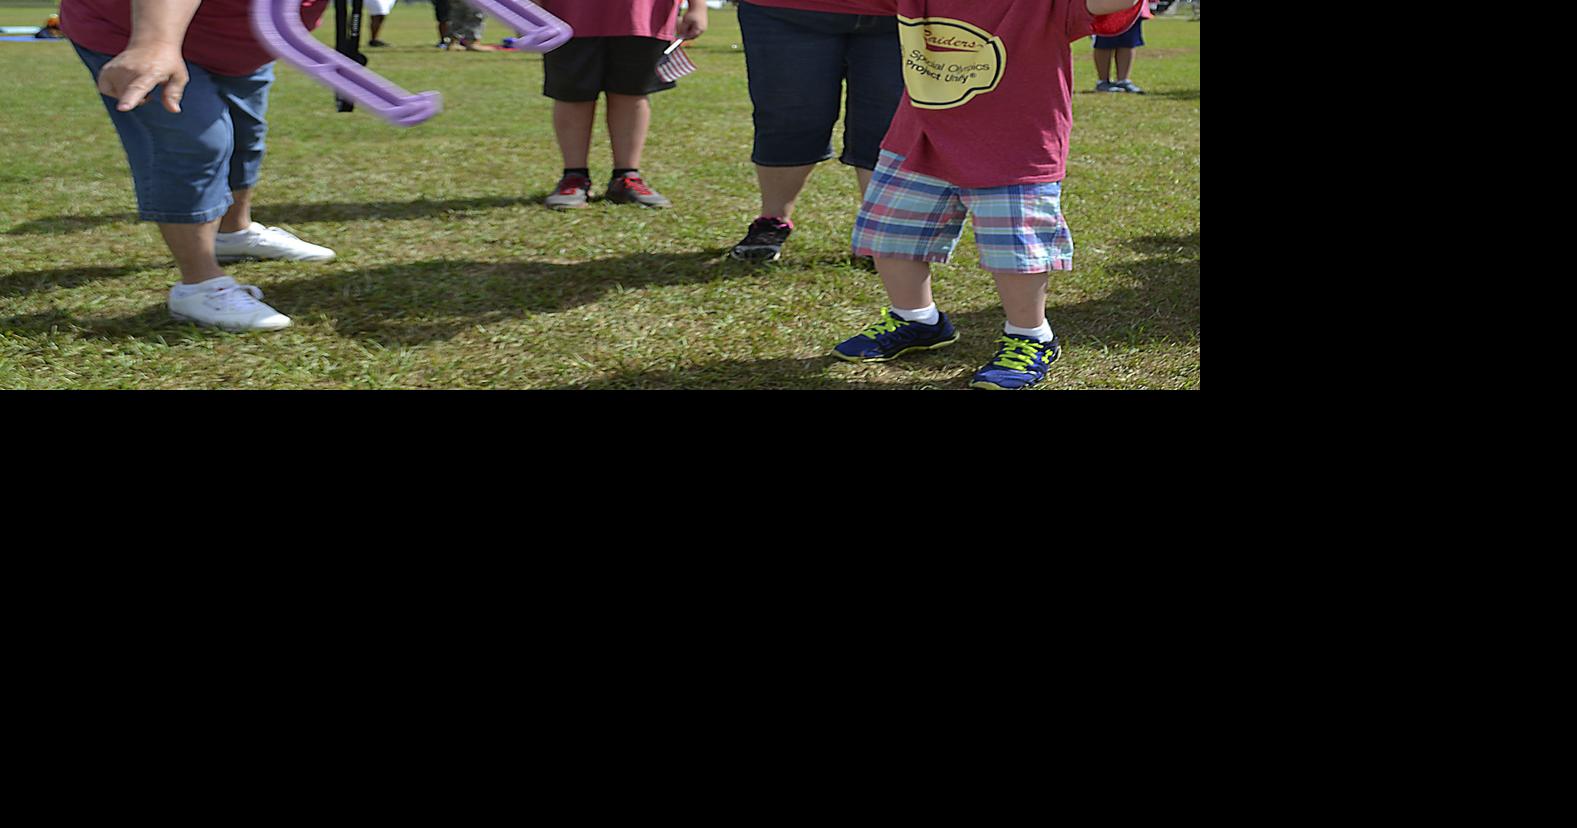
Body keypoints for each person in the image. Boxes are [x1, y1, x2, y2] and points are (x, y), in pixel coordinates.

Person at [833, 0, 1146, 390]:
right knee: (892, 236)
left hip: (1015, 146)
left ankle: (1031, 335)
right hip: (920, 135)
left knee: (1015, 250)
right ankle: (916, 318)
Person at [59, 0, 337, 333]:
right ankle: (200, 285)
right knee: (195, 140)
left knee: (246, 132)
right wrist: (155, 42)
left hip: (239, 38)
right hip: (138, 27)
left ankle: (233, 232)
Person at [730, 0, 903, 262]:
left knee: (891, 124)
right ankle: (772, 221)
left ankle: (881, 233)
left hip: (904, 13)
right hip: (785, 10)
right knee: (788, 116)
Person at [536, 0, 708, 210]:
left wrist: (697, 7)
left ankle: (626, 176)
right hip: (567, 12)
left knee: (632, 93)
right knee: (572, 95)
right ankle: (574, 176)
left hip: (644, 12)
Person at [1093, 1, 1151, 93]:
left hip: (1132, 6)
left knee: (1128, 42)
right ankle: (1103, 81)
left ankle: (1123, 80)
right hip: (1106, 6)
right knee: (1104, 41)